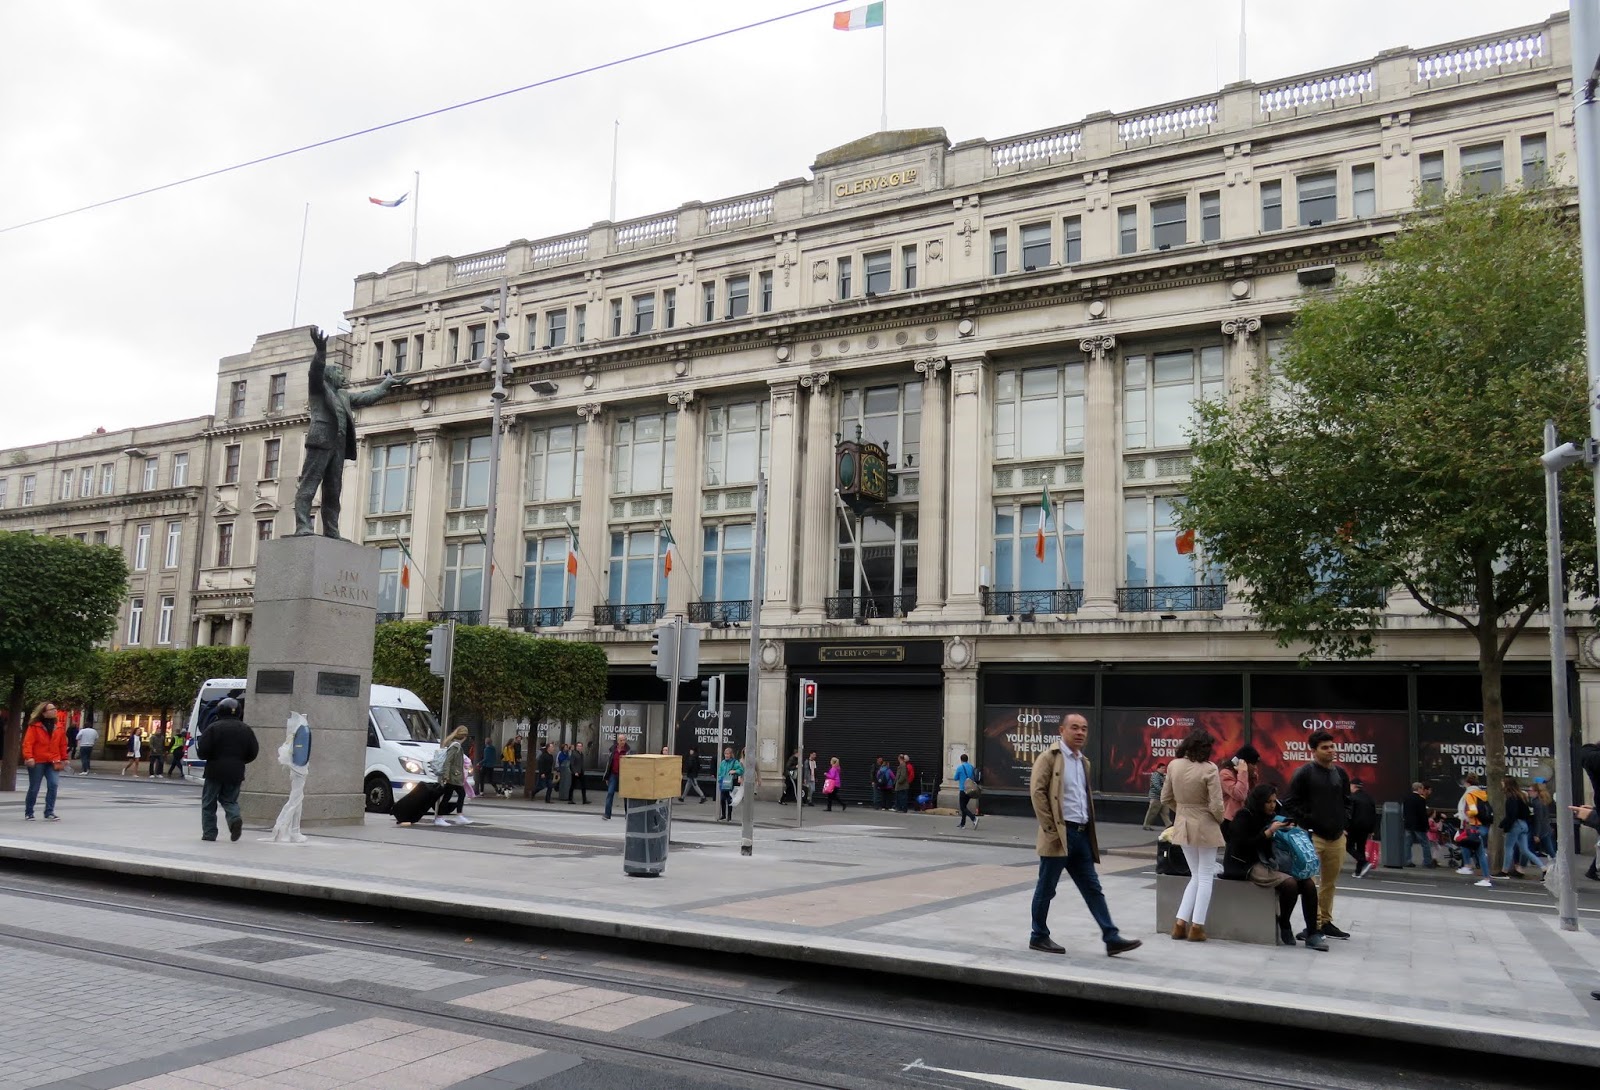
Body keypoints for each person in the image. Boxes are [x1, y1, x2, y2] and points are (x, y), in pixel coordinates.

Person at [1026, 712, 1141, 958]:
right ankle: (1038, 936)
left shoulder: (1083, 762)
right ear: (1061, 730)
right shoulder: (1049, 758)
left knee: (1093, 888)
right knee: (1046, 888)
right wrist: (1050, 830)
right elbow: (1038, 793)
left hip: (1081, 835)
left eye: (1084, 729)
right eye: (1075, 728)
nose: (1080, 732)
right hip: (1060, 833)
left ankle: (1111, 937)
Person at [1220, 784, 1327, 951]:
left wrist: (1286, 829)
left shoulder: (1274, 815)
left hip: (1270, 861)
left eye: (1273, 801)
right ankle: (1284, 923)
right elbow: (1241, 845)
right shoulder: (1244, 816)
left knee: (1308, 884)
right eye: (1268, 802)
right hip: (1245, 864)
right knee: (1290, 883)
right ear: (1259, 802)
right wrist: (1268, 832)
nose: (1272, 805)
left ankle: (1312, 933)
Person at [1279, 728, 1352, 939]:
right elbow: (1290, 802)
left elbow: (1347, 801)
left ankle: (1326, 921)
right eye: (1325, 747)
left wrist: (1344, 820)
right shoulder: (1304, 773)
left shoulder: (1340, 773)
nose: (1331, 750)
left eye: (1332, 746)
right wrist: (1309, 821)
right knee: (1309, 883)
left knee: (1330, 882)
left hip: (1337, 835)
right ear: (1314, 750)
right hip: (1312, 836)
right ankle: (1314, 925)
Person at [1161, 730, 1225, 942]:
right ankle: (1196, 926)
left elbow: (1165, 797)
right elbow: (1216, 804)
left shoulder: (1173, 765)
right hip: (1205, 823)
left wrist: (1182, 811)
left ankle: (1180, 924)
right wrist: (1219, 819)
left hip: (1183, 822)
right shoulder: (1210, 769)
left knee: (1196, 876)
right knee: (1205, 876)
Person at [194, 698, 258, 842]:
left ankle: (209, 833)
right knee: (230, 800)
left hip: (214, 770)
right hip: (236, 771)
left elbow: (202, 751)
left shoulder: (213, 728)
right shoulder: (246, 729)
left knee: (209, 803)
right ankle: (234, 818)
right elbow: (253, 752)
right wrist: (239, 761)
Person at [22, 702, 68, 821]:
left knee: (53, 784)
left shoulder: (58, 726)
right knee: (34, 787)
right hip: (38, 760)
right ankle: (29, 812)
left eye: (55, 708)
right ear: (44, 712)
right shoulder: (35, 726)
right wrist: (29, 757)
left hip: (53, 760)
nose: (54, 711)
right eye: (51, 709)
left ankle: (49, 811)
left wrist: (65, 758)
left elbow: (62, 744)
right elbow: (28, 743)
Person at [1495, 776, 1542, 879]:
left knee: (1508, 848)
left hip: (1515, 825)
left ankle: (1504, 871)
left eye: (1503, 783)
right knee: (1525, 850)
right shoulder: (1521, 796)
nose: (1502, 785)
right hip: (1523, 824)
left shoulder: (1511, 798)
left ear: (1507, 785)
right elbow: (1526, 813)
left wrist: (1504, 826)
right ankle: (1543, 867)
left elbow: (1511, 815)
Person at [1455, 774, 1493, 887]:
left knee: (1480, 853)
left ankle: (1486, 878)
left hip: (1475, 825)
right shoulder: (1482, 794)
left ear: (1467, 784)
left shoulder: (1469, 794)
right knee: (1466, 844)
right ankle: (1467, 866)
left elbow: (1473, 811)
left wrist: (1466, 814)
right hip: (1484, 825)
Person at [1217, 745, 1260, 835]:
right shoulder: (1226, 774)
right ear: (1243, 763)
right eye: (1253, 764)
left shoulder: (1248, 775)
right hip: (1230, 821)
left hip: (1245, 818)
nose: (1255, 767)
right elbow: (1239, 795)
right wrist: (1243, 772)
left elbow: (1250, 794)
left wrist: (1251, 778)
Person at [434, 726, 471, 826]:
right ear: (464, 736)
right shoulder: (455, 747)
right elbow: (448, 762)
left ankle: (451, 816)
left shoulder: (455, 745)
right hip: (453, 776)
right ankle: (445, 817)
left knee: (449, 796)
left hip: (454, 776)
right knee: (458, 795)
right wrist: (446, 775)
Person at [1345, 780, 1378, 878]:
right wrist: (1372, 829)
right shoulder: (1369, 798)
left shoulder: (1352, 798)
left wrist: (1345, 827)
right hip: (1366, 827)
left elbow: (1349, 814)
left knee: (1348, 846)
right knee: (1361, 848)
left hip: (1354, 826)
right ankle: (1359, 871)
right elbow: (1373, 814)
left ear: (1354, 786)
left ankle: (1364, 862)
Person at [1403, 782, 1436, 867]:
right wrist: (1426, 826)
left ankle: (1407, 861)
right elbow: (1422, 814)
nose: (1422, 790)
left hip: (1408, 824)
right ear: (1418, 789)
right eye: (1421, 788)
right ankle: (1427, 862)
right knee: (1425, 843)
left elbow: (1404, 812)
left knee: (1408, 844)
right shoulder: (1421, 800)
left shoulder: (1407, 798)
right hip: (1418, 825)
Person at [1529, 781, 1556, 862]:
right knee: (1549, 848)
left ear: (1536, 792)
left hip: (1542, 830)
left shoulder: (1537, 803)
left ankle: (1555, 863)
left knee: (1549, 849)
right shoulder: (1542, 801)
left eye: (1530, 791)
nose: (1529, 793)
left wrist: (1537, 834)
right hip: (1546, 828)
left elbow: (1538, 819)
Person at [603, 737, 629, 820]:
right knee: (610, 793)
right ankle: (607, 814)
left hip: (624, 775)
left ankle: (628, 814)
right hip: (613, 774)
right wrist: (606, 777)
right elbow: (608, 764)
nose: (622, 742)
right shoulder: (613, 750)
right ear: (618, 741)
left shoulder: (628, 751)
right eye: (621, 740)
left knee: (626, 795)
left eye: (624, 740)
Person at [953, 752, 980, 830]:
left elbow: (955, 778)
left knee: (962, 807)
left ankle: (974, 819)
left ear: (961, 760)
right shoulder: (971, 767)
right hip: (970, 790)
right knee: (964, 807)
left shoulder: (960, 768)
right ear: (967, 760)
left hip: (963, 789)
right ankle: (962, 824)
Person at [1141, 761, 1170, 831]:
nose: (1164, 770)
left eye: (1164, 768)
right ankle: (1146, 825)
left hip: (1162, 797)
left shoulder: (1163, 776)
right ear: (1158, 769)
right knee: (1152, 812)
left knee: (1165, 812)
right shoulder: (1155, 775)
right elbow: (1156, 785)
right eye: (1162, 768)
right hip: (1156, 797)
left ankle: (1169, 825)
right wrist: (1164, 791)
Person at [717, 746, 742, 821]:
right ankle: (723, 814)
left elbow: (741, 770)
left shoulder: (735, 762)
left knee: (729, 799)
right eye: (725, 754)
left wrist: (734, 771)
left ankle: (729, 816)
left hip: (730, 783)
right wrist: (720, 779)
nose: (726, 755)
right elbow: (720, 772)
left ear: (731, 754)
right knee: (722, 799)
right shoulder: (723, 762)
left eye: (728, 754)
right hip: (723, 782)